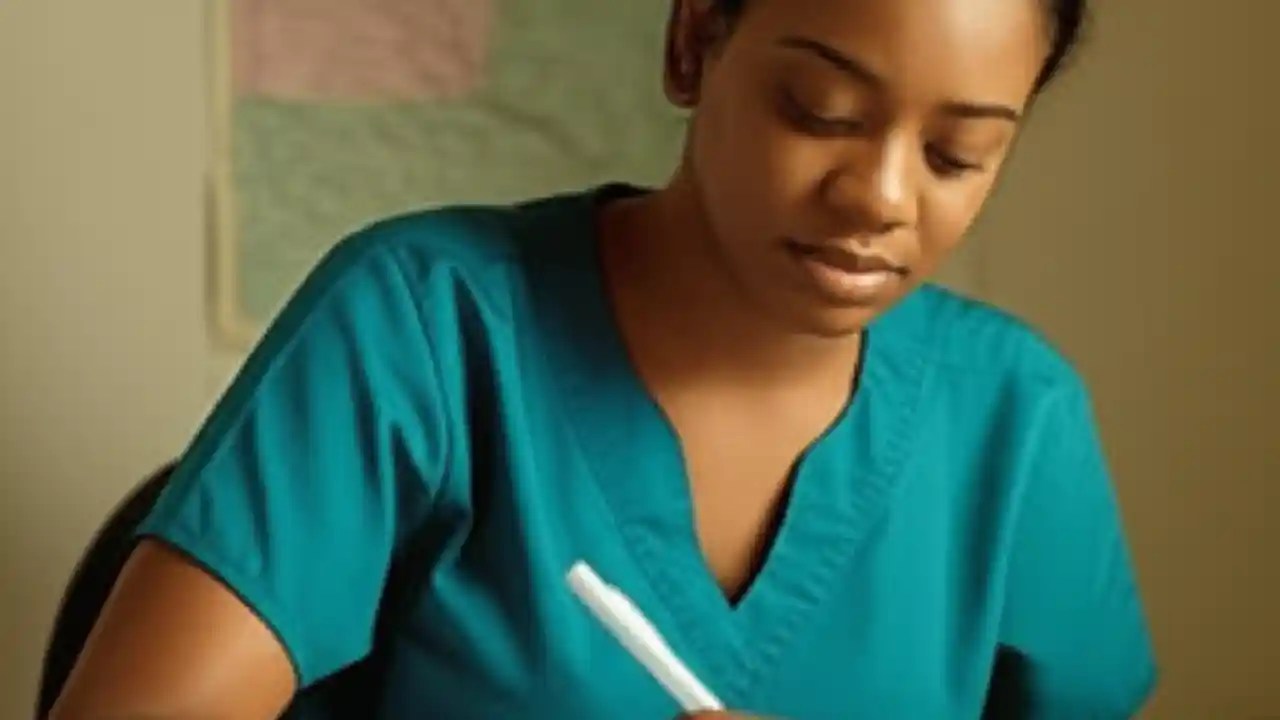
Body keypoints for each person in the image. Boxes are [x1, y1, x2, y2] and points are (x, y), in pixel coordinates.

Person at [51, 0, 1158, 717]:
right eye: (816, 111)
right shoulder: (420, 326)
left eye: (956, 154)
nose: (878, 196)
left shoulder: (1017, 419)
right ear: (690, 44)